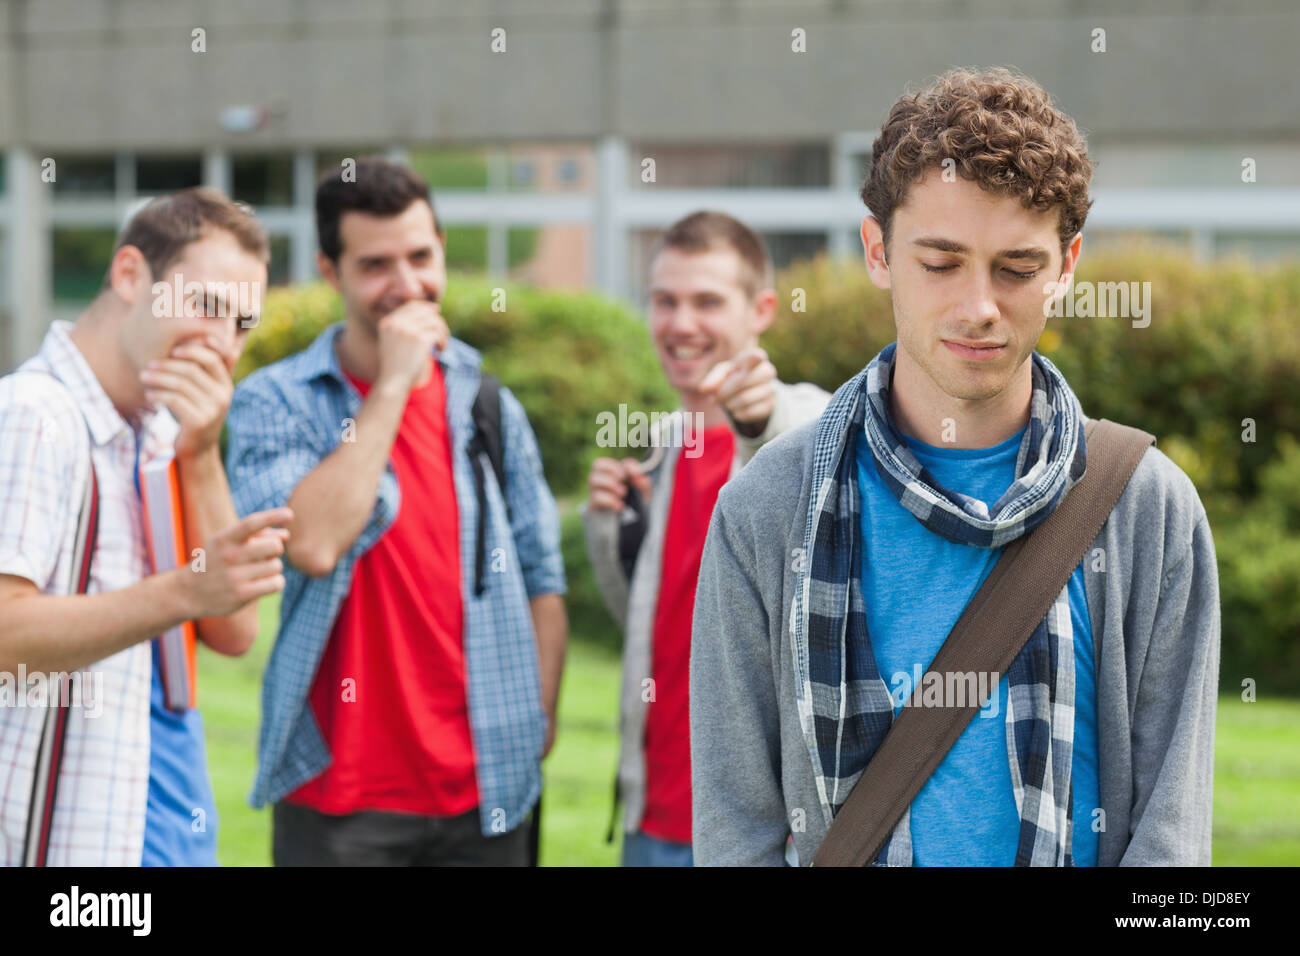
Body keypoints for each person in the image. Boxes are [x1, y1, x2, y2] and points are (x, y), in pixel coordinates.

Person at [690, 67, 1221, 867]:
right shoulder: (767, 507)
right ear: (878, 251)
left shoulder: (1147, 509)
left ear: (1067, 266)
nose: (979, 307)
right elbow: (737, 832)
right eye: (940, 262)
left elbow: (1169, 843)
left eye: (1016, 269)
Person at [225, 156, 567, 866]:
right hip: (337, 800)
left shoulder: (486, 400)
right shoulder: (277, 401)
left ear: (442, 247)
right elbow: (314, 543)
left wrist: (536, 720)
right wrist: (393, 386)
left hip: (487, 792)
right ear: (330, 270)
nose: (408, 285)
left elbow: (540, 577)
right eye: (376, 264)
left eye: (421, 256)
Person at [0, 188, 290, 866]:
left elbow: (233, 629)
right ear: (131, 275)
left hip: (148, 831)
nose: (223, 344)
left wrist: (202, 453)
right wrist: (183, 591)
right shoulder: (35, 416)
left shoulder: (159, 434)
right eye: (207, 306)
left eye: (242, 324)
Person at [583, 210, 829, 866]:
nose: (681, 324)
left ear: (762, 310)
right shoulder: (659, 450)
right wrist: (609, 531)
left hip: (765, 833)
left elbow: (786, 433)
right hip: (654, 817)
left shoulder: (812, 427)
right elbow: (650, 628)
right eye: (665, 300)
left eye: (707, 302)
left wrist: (758, 418)